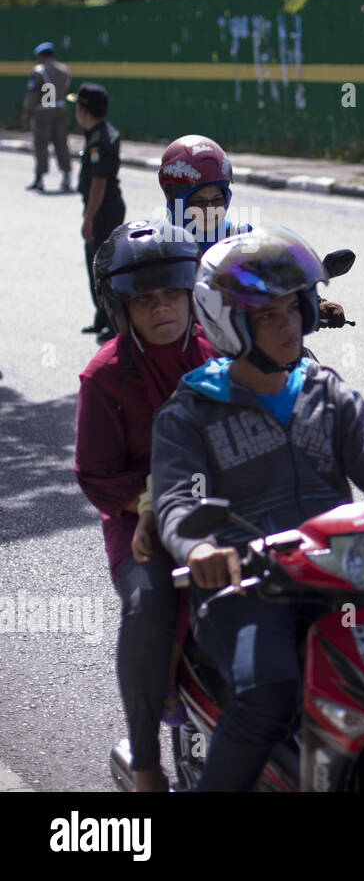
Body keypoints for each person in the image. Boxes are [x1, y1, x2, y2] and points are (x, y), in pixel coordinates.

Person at [150, 226, 364, 791]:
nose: (287, 325)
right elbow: (177, 501)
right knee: (270, 691)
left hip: (343, 573)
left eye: (294, 308)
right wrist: (203, 548)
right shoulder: (190, 413)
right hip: (247, 591)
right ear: (230, 325)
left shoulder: (323, 392)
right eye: (268, 315)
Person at [74, 219, 216, 791]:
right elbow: (96, 476)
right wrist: (157, 504)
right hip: (138, 524)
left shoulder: (224, 350)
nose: (163, 311)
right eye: (146, 301)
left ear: (191, 294)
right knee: (149, 603)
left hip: (231, 506)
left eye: (172, 296)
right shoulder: (103, 376)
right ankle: (147, 763)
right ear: (122, 309)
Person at [156, 134, 347, 324]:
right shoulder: (159, 246)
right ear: (174, 198)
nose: (210, 210)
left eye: (217, 199)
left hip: (241, 342)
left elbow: (273, 278)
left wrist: (314, 301)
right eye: (198, 202)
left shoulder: (240, 236)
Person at [73, 83, 126, 341]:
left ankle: (112, 323)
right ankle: (102, 317)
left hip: (102, 209)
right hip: (105, 206)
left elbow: (99, 183)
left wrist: (88, 218)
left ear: (85, 110)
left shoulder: (98, 142)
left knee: (102, 266)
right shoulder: (100, 133)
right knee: (97, 265)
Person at [20, 41, 72, 193]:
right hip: (61, 110)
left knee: (41, 145)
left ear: (41, 56)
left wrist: (26, 112)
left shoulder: (39, 71)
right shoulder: (64, 70)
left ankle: (40, 179)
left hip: (43, 111)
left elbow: (32, 94)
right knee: (61, 144)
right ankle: (67, 176)